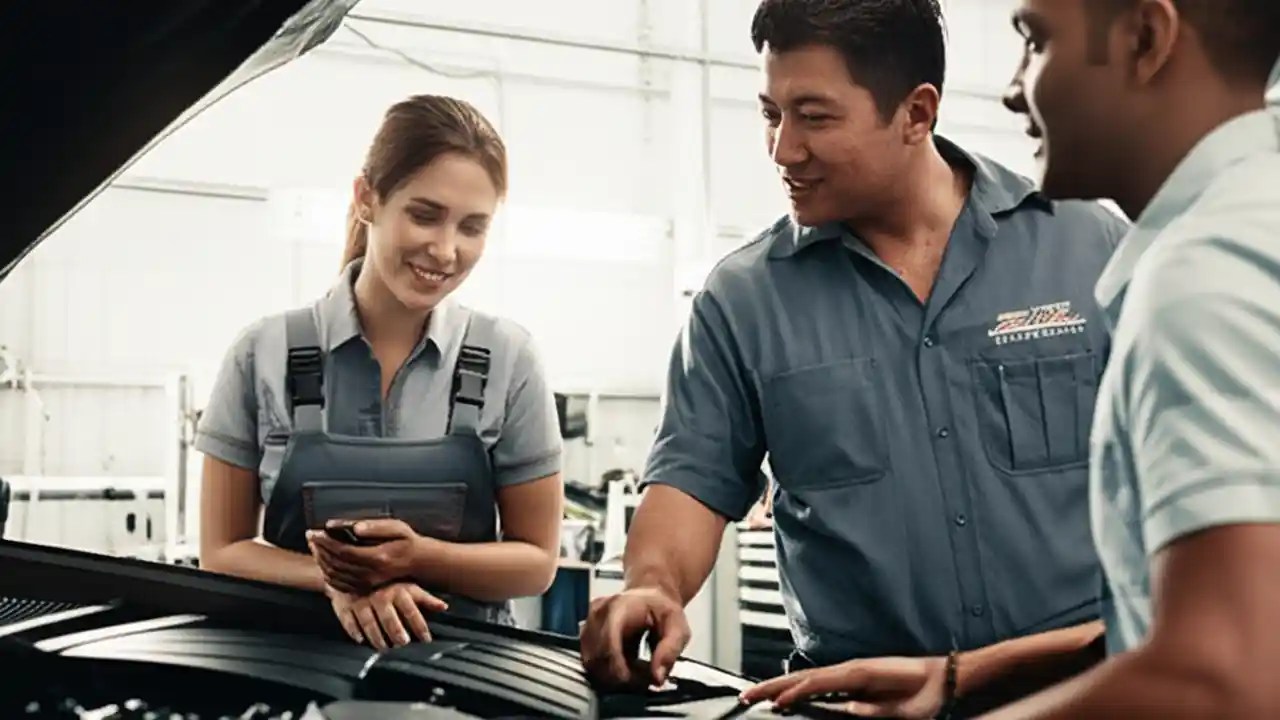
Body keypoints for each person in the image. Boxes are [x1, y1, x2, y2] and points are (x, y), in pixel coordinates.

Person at [581, 1, 1130, 716]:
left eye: (814, 116)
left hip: (1088, 697)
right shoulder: (742, 301)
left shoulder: (1088, 250)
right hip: (852, 708)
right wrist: (651, 587)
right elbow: (688, 485)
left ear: (916, 112)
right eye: (770, 113)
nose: (782, 149)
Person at [975, 1, 1280, 718]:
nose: (1014, 88)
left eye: (1036, 43)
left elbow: (1227, 678)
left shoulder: (1205, 273)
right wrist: (963, 675)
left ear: (1145, 38)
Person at [196, 94, 564, 651]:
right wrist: (340, 582)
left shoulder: (509, 358)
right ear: (367, 198)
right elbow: (221, 551)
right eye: (424, 215)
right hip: (294, 666)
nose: (446, 250)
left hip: (468, 675)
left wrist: (419, 558)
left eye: (473, 227)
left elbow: (536, 563)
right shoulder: (260, 353)